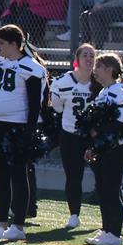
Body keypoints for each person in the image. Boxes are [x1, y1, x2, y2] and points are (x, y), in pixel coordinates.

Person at [0, 24, 46, 242]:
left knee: (18, 175)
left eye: (1, 43)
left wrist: (29, 130)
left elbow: (36, 101)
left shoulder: (30, 66)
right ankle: (1, 223)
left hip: (17, 125)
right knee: (0, 175)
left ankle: (18, 224)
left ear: (13, 44)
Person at [82, 53, 123, 245]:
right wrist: (93, 144)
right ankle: (106, 229)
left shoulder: (118, 92)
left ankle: (115, 233)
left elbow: (121, 122)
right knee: (103, 190)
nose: (94, 71)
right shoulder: (104, 92)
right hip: (105, 147)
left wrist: (100, 132)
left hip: (115, 148)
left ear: (110, 70)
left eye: (98, 67)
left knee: (112, 191)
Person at [47, 43, 97, 231]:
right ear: (76, 59)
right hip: (71, 134)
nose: (89, 59)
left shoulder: (99, 81)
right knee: (73, 176)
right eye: (85, 55)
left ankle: (113, 213)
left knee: (103, 174)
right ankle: (74, 214)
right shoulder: (63, 82)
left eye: (92, 55)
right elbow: (58, 107)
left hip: (94, 136)